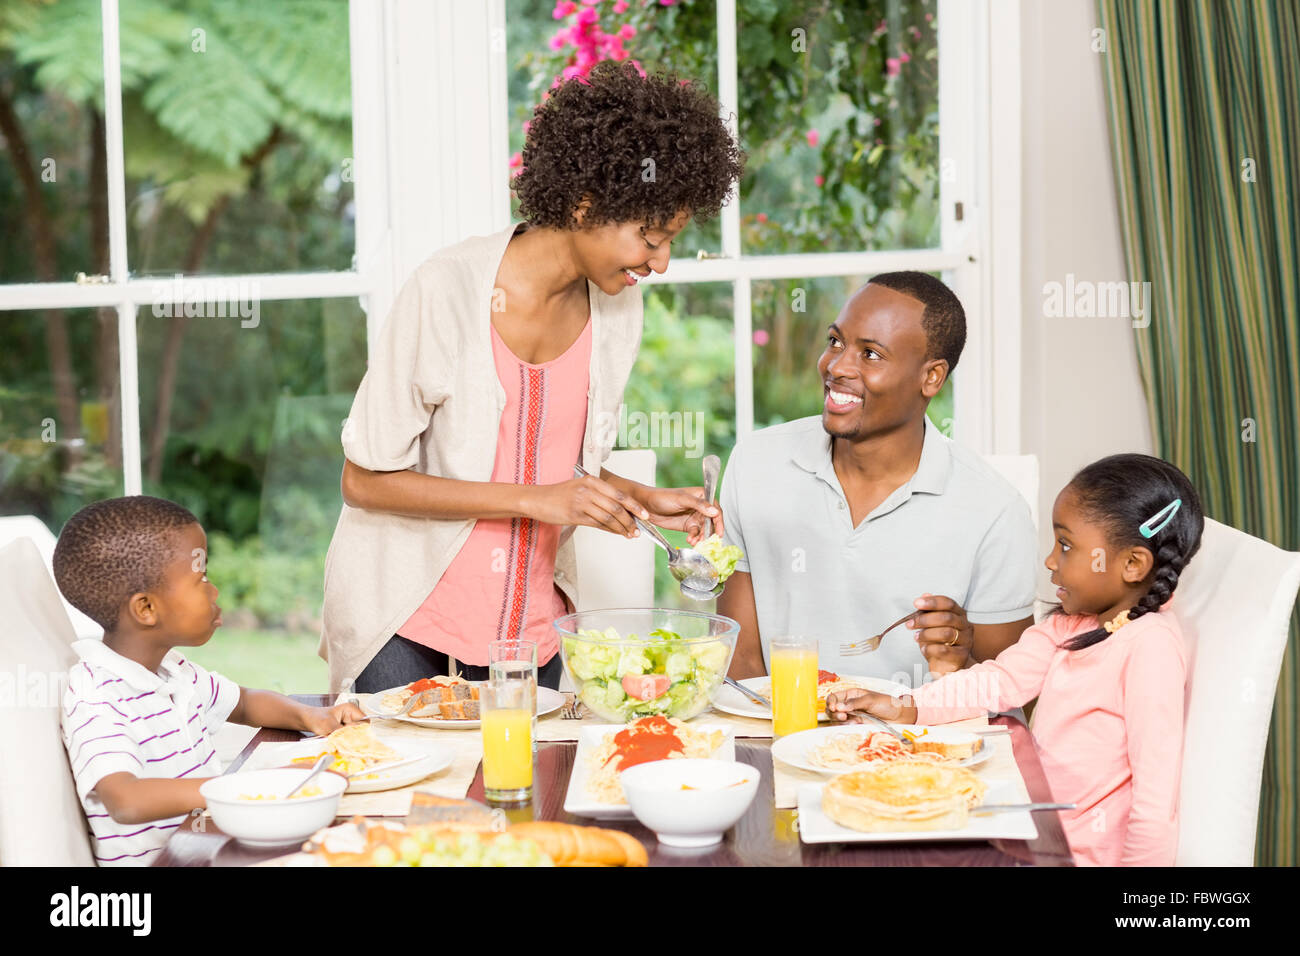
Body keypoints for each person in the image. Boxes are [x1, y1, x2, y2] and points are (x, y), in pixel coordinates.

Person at [324, 61, 744, 694]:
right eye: (650, 238)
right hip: (407, 626)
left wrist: (643, 499)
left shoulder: (614, 306)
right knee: (413, 795)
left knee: (537, 794)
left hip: (531, 628)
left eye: (669, 242)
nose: (660, 263)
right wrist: (537, 500)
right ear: (583, 206)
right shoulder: (449, 289)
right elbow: (365, 479)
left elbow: (549, 459)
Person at [828, 454, 1203, 866]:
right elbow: (997, 681)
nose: (1050, 561)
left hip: (1068, 857)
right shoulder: (1072, 627)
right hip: (1026, 834)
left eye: (1066, 545)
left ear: (1132, 564)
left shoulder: (1150, 648)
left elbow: (1155, 806)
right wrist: (903, 706)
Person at [719, 272, 1037, 689]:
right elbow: (740, 658)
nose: (836, 366)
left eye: (870, 354)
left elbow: (1011, 694)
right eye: (836, 341)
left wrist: (960, 657)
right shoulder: (756, 463)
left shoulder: (996, 511)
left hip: (915, 747)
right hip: (780, 731)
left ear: (931, 378)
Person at [52, 496, 365, 866]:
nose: (214, 591)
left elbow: (245, 703)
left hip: (207, 846)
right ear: (146, 609)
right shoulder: (98, 695)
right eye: (201, 579)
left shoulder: (174, 671)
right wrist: (243, 787)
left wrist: (312, 717)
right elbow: (126, 799)